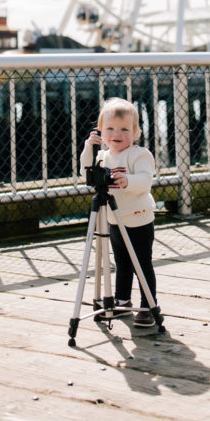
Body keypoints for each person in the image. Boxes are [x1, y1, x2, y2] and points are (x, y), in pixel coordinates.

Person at [80, 97, 158, 327]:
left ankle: (148, 305)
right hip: (114, 219)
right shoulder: (103, 156)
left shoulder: (139, 154)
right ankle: (122, 300)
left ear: (135, 132)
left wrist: (128, 181)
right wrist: (88, 147)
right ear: (101, 132)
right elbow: (86, 171)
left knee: (142, 263)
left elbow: (145, 180)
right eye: (110, 129)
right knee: (122, 263)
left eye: (124, 129)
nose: (117, 134)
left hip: (139, 217)